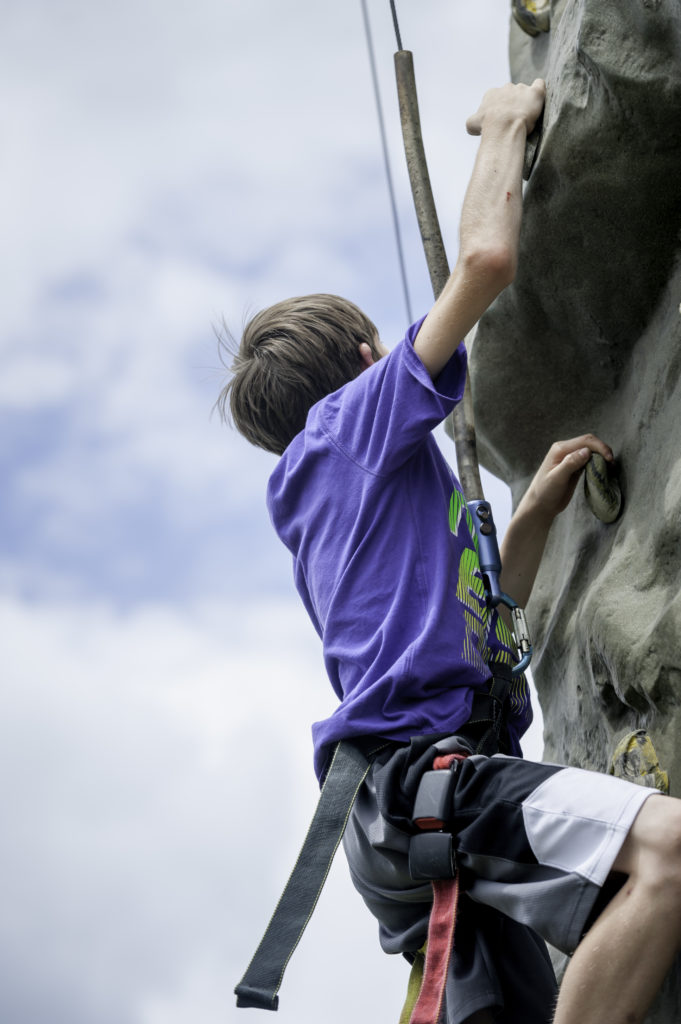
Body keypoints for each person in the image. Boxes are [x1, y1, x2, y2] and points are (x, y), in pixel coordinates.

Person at [222, 79, 681, 1024]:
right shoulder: (350, 427)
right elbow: (484, 259)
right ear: (363, 360)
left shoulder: (331, 499)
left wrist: (530, 525)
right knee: (668, 854)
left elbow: (473, 634)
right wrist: (507, 125)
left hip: (402, 809)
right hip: (422, 783)